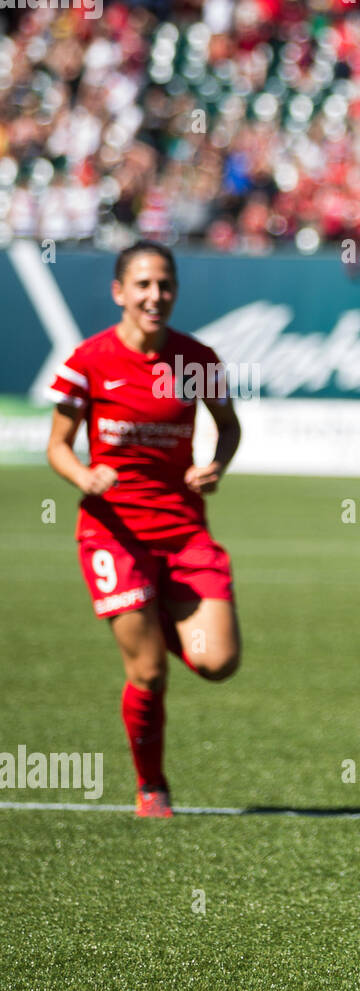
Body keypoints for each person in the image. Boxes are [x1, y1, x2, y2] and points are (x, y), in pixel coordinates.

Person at [46, 241, 243, 819]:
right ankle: (151, 785)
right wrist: (84, 474)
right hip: (115, 535)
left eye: (165, 285)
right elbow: (57, 446)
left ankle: (157, 614)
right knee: (150, 672)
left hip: (184, 531)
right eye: (143, 285)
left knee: (216, 662)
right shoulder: (88, 360)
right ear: (119, 292)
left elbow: (228, 427)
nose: (155, 296)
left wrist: (215, 465)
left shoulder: (197, 358)